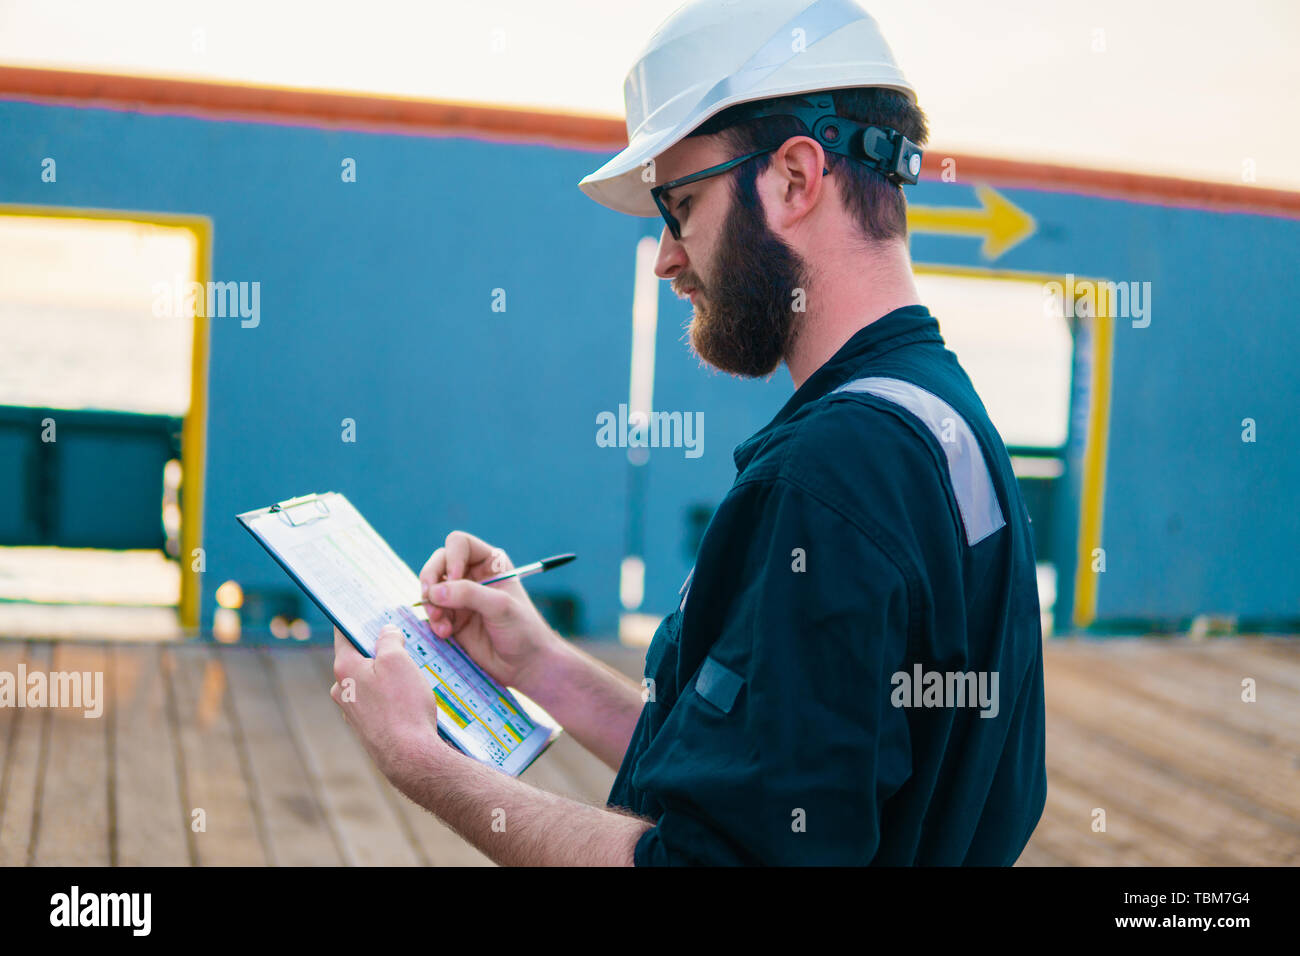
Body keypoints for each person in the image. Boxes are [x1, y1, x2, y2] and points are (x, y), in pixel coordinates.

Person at [332, 0, 1047, 865]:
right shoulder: (946, 424)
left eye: (682, 204)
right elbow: (774, 774)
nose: (668, 255)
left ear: (794, 178)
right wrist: (542, 665)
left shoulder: (828, 479)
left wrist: (416, 760)